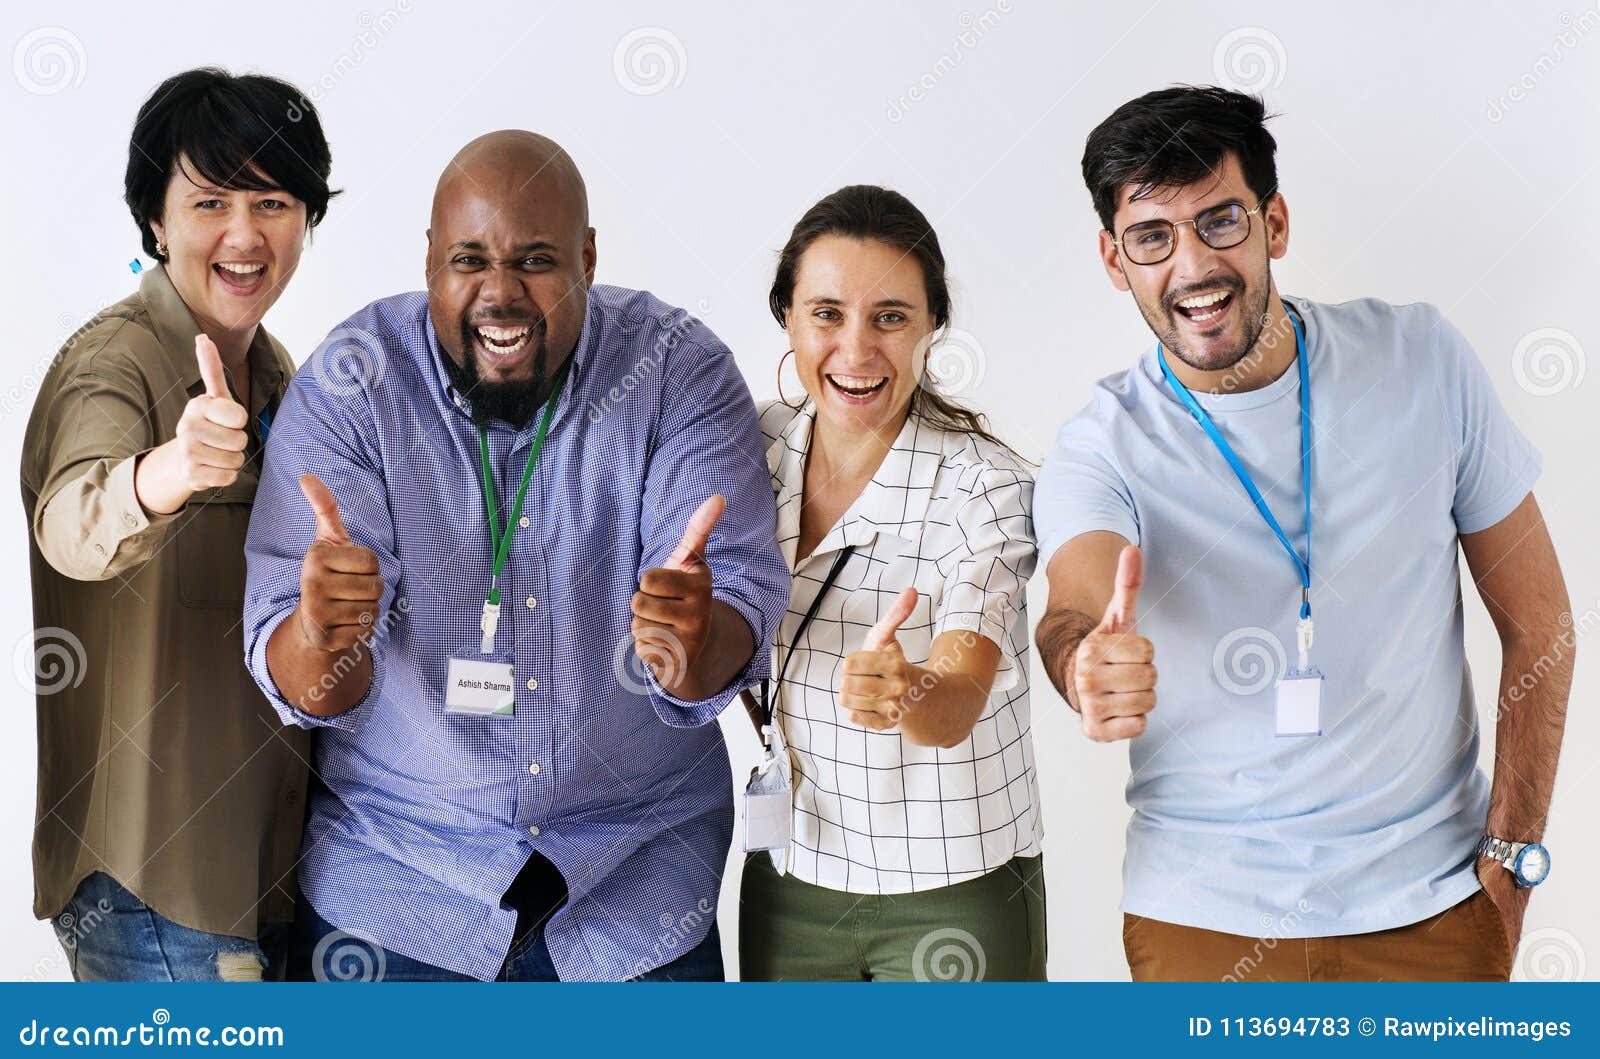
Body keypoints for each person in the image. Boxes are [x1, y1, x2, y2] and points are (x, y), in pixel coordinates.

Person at [1034, 86, 1571, 981]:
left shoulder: (1423, 361)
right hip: (1202, 918)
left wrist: (1512, 860)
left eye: (1221, 222)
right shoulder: (1102, 444)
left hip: (1437, 902)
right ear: (1113, 259)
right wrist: (1082, 661)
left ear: (1274, 223)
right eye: (1152, 237)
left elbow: (1540, 623)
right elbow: (1075, 607)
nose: (1193, 265)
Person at [242, 130, 790, 982]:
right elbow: (312, 688)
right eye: (469, 259)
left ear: (589, 257)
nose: (500, 294)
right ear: (428, 259)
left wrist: (692, 636)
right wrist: (323, 632)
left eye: (536, 260)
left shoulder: (678, 368)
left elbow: (728, 634)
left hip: (635, 886)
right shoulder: (351, 380)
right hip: (397, 884)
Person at [20, 67, 337, 981]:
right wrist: (164, 473)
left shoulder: (279, 374)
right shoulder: (111, 363)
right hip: (156, 894)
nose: (244, 235)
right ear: (155, 221)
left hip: (270, 872)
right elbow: (71, 524)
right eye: (209, 202)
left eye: (273, 201)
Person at [738, 185, 1046, 982]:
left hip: (954, 891)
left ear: (932, 326)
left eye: (890, 317)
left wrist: (910, 691)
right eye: (827, 313)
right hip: (790, 879)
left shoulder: (986, 488)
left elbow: (956, 700)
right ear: (787, 318)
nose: (855, 351)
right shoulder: (753, 444)